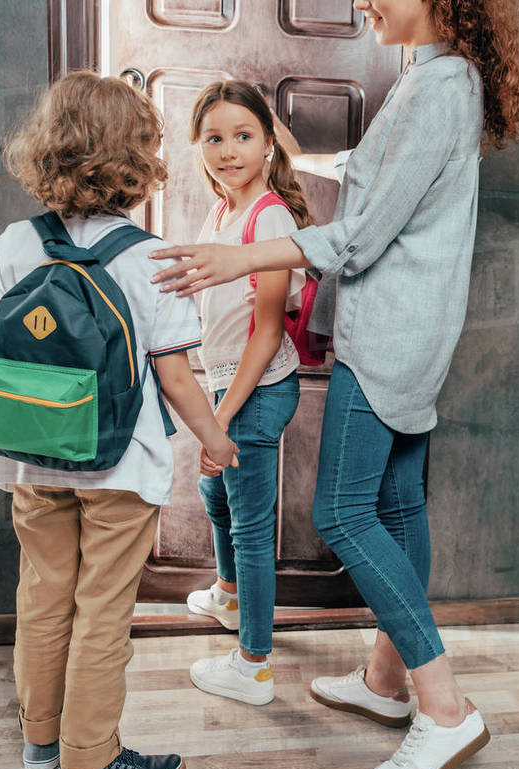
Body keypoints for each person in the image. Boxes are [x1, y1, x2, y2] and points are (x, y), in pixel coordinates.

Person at [150, 0, 519, 769]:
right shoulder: (428, 79)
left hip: (390, 334)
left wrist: (238, 257)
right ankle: (389, 683)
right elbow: (372, 173)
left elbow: (361, 236)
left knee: (343, 513)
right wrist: (301, 153)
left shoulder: (441, 87)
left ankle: (446, 706)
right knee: (397, 505)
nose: (364, 1)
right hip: (401, 328)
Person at [0, 71, 238, 769]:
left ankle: (42, 738)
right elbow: (177, 377)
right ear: (137, 159)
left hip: (29, 459)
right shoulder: (151, 256)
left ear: (48, 148)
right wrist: (215, 439)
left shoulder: (14, 243)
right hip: (122, 465)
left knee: (44, 594)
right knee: (102, 609)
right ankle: (90, 764)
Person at [181, 80, 309, 706]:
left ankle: (253, 664)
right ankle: (230, 598)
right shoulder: (222, 209)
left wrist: (219, 422)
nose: (228, 149)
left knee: (251, 526)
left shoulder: (270, 217)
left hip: (256, 389)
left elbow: (264, 334)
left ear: (266, 144)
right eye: (214, 137)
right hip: (227, 383)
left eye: (243, 135)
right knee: (214, 491)